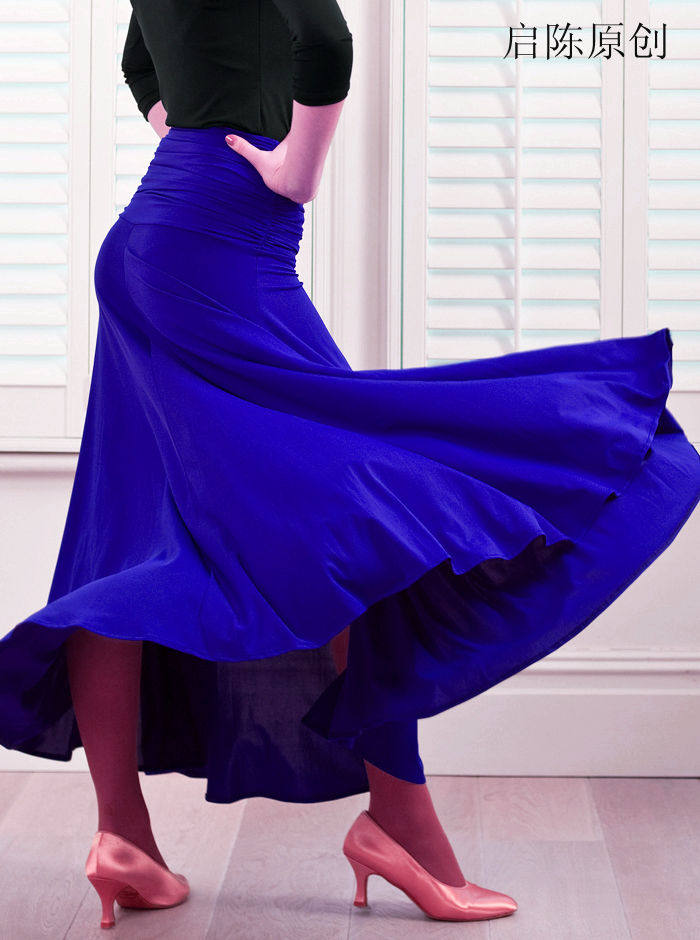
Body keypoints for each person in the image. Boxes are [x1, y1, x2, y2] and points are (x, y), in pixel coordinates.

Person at [0, 0, 698, 930]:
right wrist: (292, 169)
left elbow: (140, 62)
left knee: (131, 533)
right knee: (350, 514)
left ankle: (122, 836)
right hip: (217, 248)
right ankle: (401, 827)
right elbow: (324, 39)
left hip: (152, 238)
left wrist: (192, 141)